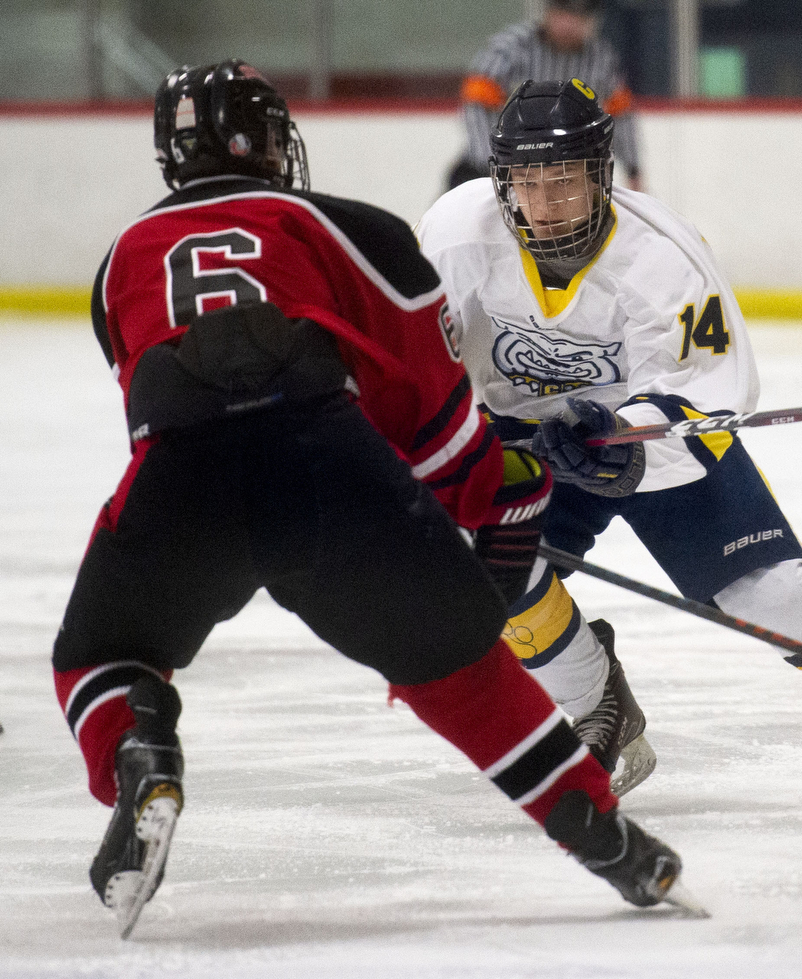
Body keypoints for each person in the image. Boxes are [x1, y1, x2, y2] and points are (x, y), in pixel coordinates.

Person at [53, 60, 683, 937]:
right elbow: (435, 416)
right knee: (462, 671)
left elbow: (156, 405)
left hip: (178, 475)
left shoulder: (117, 262)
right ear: (267, 140)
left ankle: (140, 750)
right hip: (322, 467)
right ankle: (608, 837)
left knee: (99, 655)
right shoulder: (347, 228)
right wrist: (507, 495)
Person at [414, 78, 802, 810]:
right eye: (525, 181)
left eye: (562, 179)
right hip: (522, 438)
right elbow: (422, 364)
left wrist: (625, 443)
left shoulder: (664, 260)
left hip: (642, 437)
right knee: (484, 569)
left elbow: (711, 403)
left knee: (772, 589)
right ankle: (601, 705)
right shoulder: (455, 235)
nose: (542, 202)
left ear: (601, 173)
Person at [448, 0, 642, 193]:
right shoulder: (512, 47)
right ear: (547, 13)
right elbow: (476, 104)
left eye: (579, 16)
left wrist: (634, 170)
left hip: (564, 174)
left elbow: (621, 117)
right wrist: (494, 167)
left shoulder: (601, 59)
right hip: (494, 164)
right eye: (561, 13)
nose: (568, 24)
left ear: (593, 20)